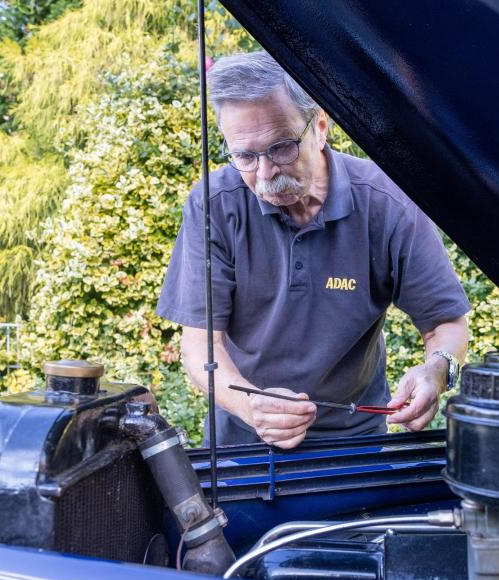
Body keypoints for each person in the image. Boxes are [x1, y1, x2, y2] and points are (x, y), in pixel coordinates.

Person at [157, 50, 470, 448]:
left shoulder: (386, 202)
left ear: (320, 127)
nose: (265, 173)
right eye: (245, 156)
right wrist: (253, 407)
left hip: (354, 445)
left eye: (281, 147)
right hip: (243, 443)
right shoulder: (214, 203)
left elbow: (446, 323)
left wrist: (436, 371)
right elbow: (201, 346)